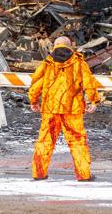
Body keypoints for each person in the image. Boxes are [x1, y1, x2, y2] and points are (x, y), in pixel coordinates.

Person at [29, 35, 100, 181]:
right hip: (72, 109)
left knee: (45, 141)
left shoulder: (48, 62)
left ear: (55, 46)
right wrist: (94, 100)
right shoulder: (78, 62)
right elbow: (89, 82)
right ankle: (84, 175)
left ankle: (39, 173)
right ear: (70, 46)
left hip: (50, 108)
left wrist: (33, 101)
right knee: (77, 141)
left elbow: (36, 83)